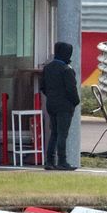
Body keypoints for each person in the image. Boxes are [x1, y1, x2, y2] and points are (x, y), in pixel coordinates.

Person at [41, 41, 80, 171]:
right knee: (63, 134)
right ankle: (62, 161)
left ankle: (49, 161)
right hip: (64, 106)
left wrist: (52, 97)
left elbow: (43, 87)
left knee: (54, 133)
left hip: (51, 104)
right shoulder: (66, 70)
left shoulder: (47, 68)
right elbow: (71, 90)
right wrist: (75, 102)